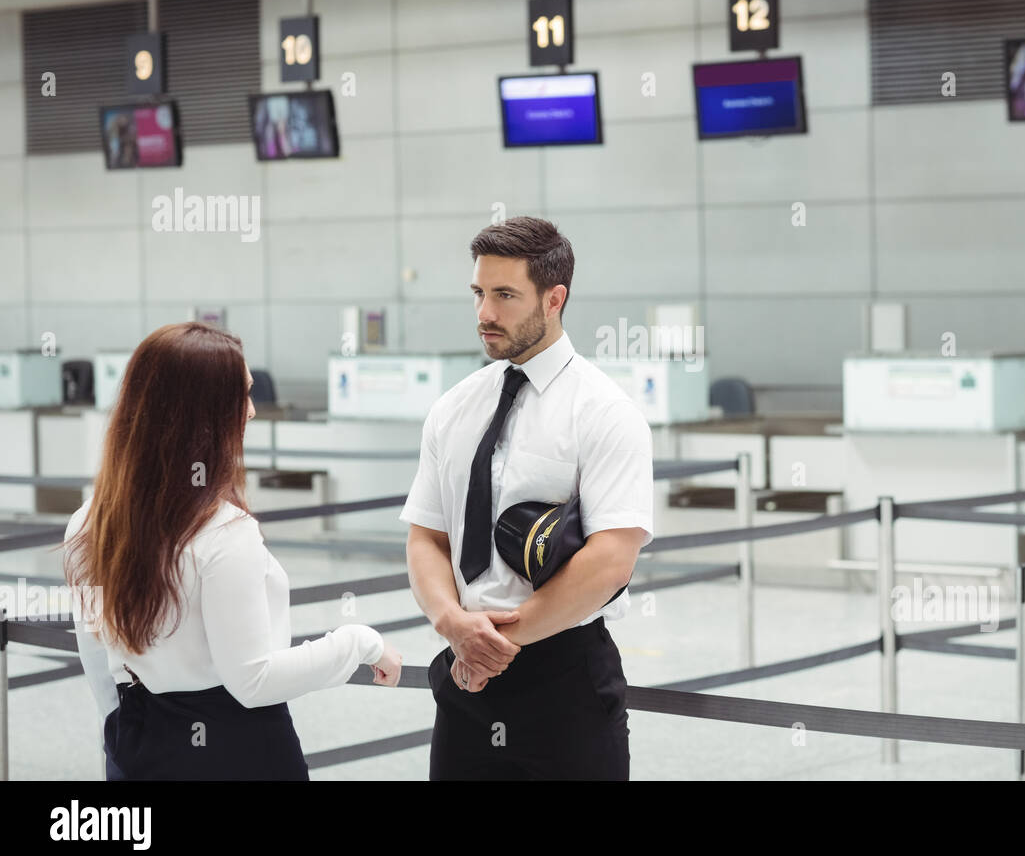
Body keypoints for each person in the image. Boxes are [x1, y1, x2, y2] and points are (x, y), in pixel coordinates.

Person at [62, 321, 402, 781]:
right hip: (236, 747)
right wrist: (361, 642)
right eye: (241, 397)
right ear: (203, 416)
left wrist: (118, 732)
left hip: (139, 735)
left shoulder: (88, 521)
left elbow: (95, 654)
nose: (252, 412)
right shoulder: (222, 532)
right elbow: (253, 680)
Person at [402, 216, 654, 780]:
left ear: (554, 299)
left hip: (564, 682)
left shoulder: (605, 414)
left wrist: (491, 646)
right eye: (479, 294)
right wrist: (451, 624)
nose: (485, 313)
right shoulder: (454, 407)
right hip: (464, 675)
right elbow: (426, 536)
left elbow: (612, 560)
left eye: (505, 296)